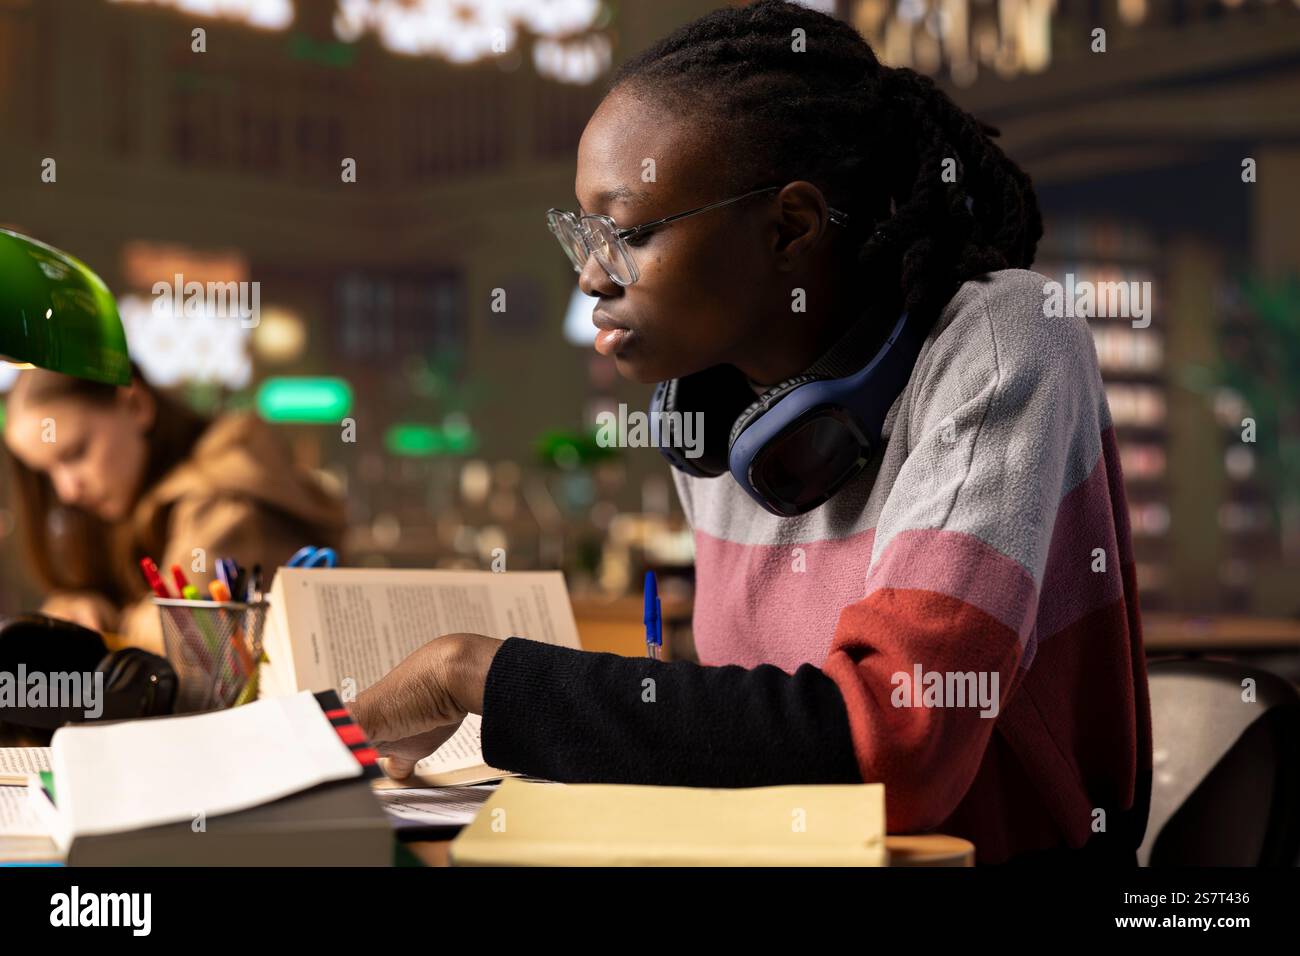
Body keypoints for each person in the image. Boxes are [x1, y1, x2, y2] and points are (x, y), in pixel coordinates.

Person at [351, 0, 1151, 864]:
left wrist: (476, 673)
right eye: (583, 235)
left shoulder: (1003, 339)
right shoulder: (717, 412)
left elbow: (895, 750)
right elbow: (760, 727)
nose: (590, 275)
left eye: (628, 234)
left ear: (789, 229)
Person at [3, 366, 346, 654]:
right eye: (48, 473)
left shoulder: (228, 501)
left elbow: (188, 640)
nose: (66, 490)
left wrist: (98, 624)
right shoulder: (133, 503)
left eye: (76, 453)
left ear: (136, 405)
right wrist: (79, 606)